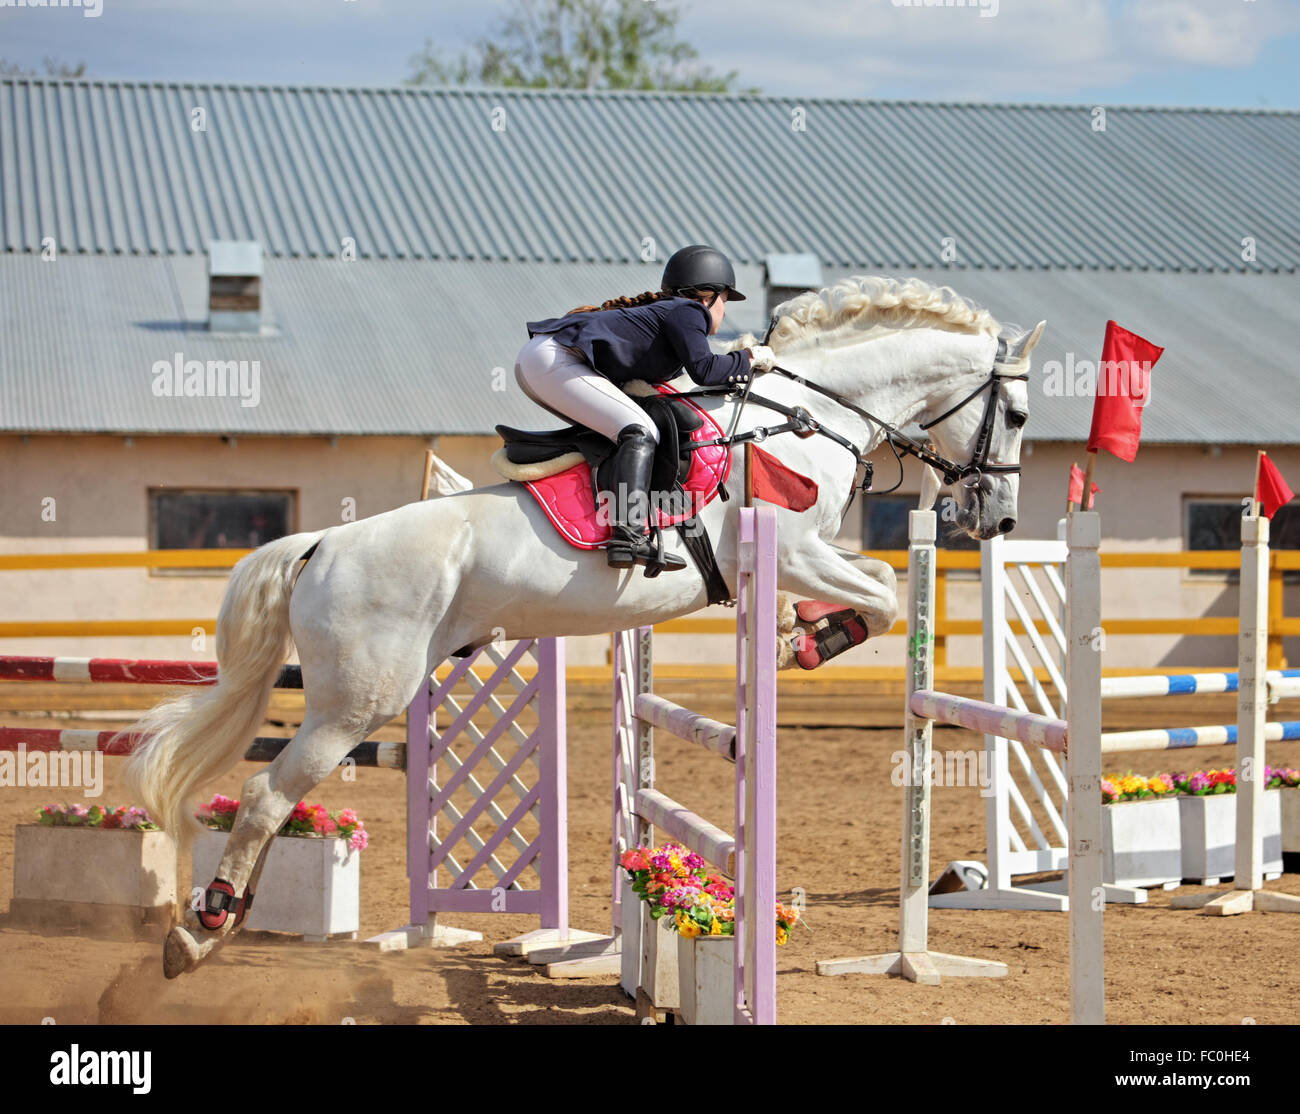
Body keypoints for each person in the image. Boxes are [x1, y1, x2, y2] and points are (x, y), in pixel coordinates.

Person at [517, 244, 778, 572]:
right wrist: (750, 357)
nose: (725, 310)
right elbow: (706, 370)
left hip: (543, 360)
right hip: (554, 360)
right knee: (640, 430)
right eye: (725, 300)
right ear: (707, 295)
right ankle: (629, 534)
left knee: (624, 427)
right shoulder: (688, 311)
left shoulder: (668, 316)